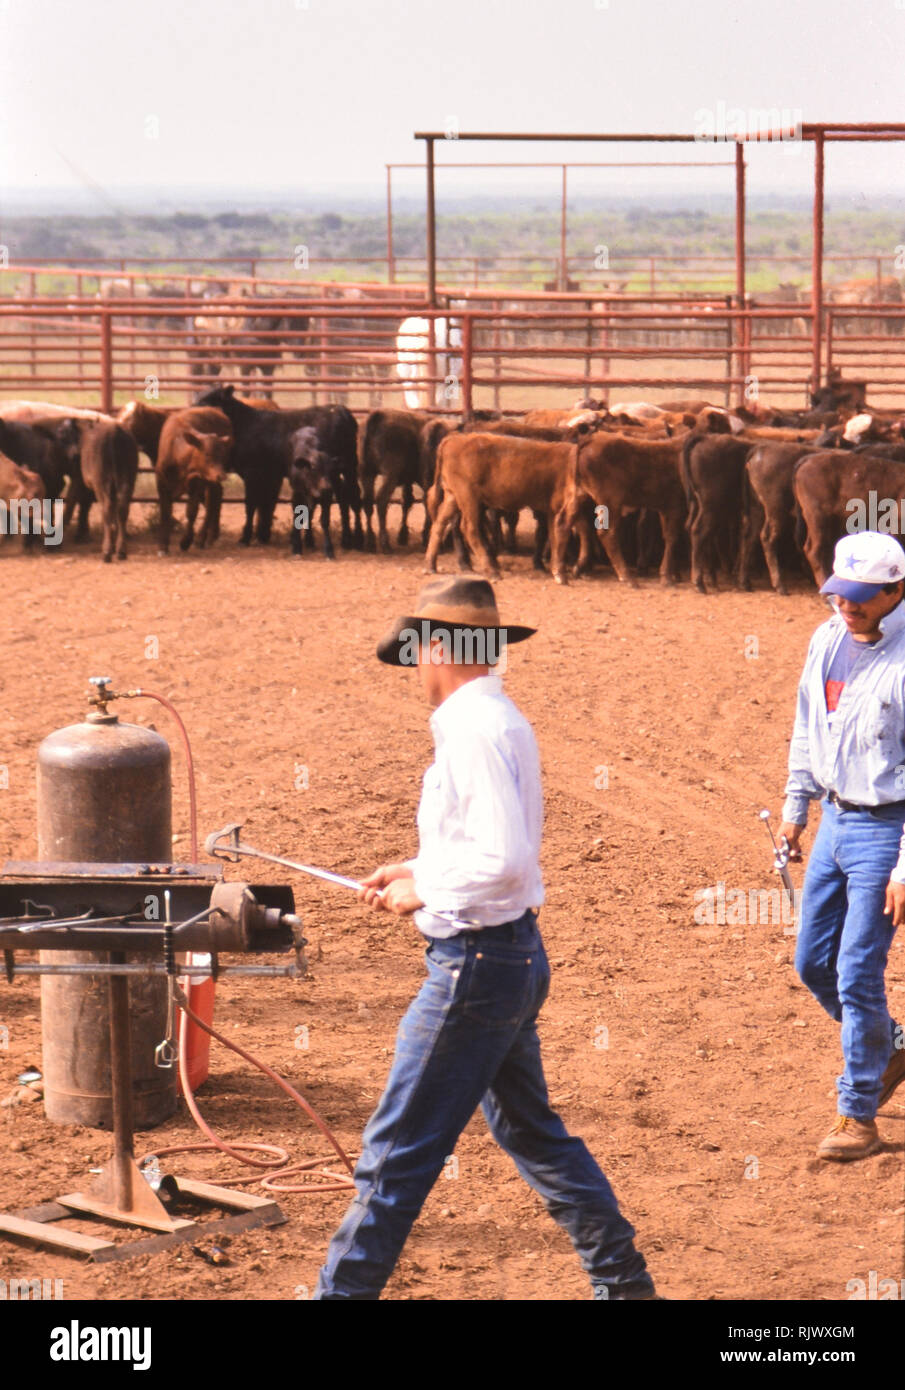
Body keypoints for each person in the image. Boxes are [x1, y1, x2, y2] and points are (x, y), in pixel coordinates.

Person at [313, 577, 657, 1300]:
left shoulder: (470, 728)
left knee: (393, 1158)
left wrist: (426, 890)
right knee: (535, 1138)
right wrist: (418, 866)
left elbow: (503, 857)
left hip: (473, 967)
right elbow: (490, 848)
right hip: (508, 956)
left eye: (416, 651)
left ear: (438, 645)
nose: (414, 668)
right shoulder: (493, 719)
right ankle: (625, 1290)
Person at [779, 530, 905, 1161]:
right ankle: (894, 1042)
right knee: (811, 965)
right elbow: (808, 723)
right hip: (832, 819)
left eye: (860, 598)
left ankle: (858, 1117)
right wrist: (794, 806)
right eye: (838, 594)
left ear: (895, 592)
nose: (846, 607)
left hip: (887, 830)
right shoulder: (827, 637)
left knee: (857, 972)